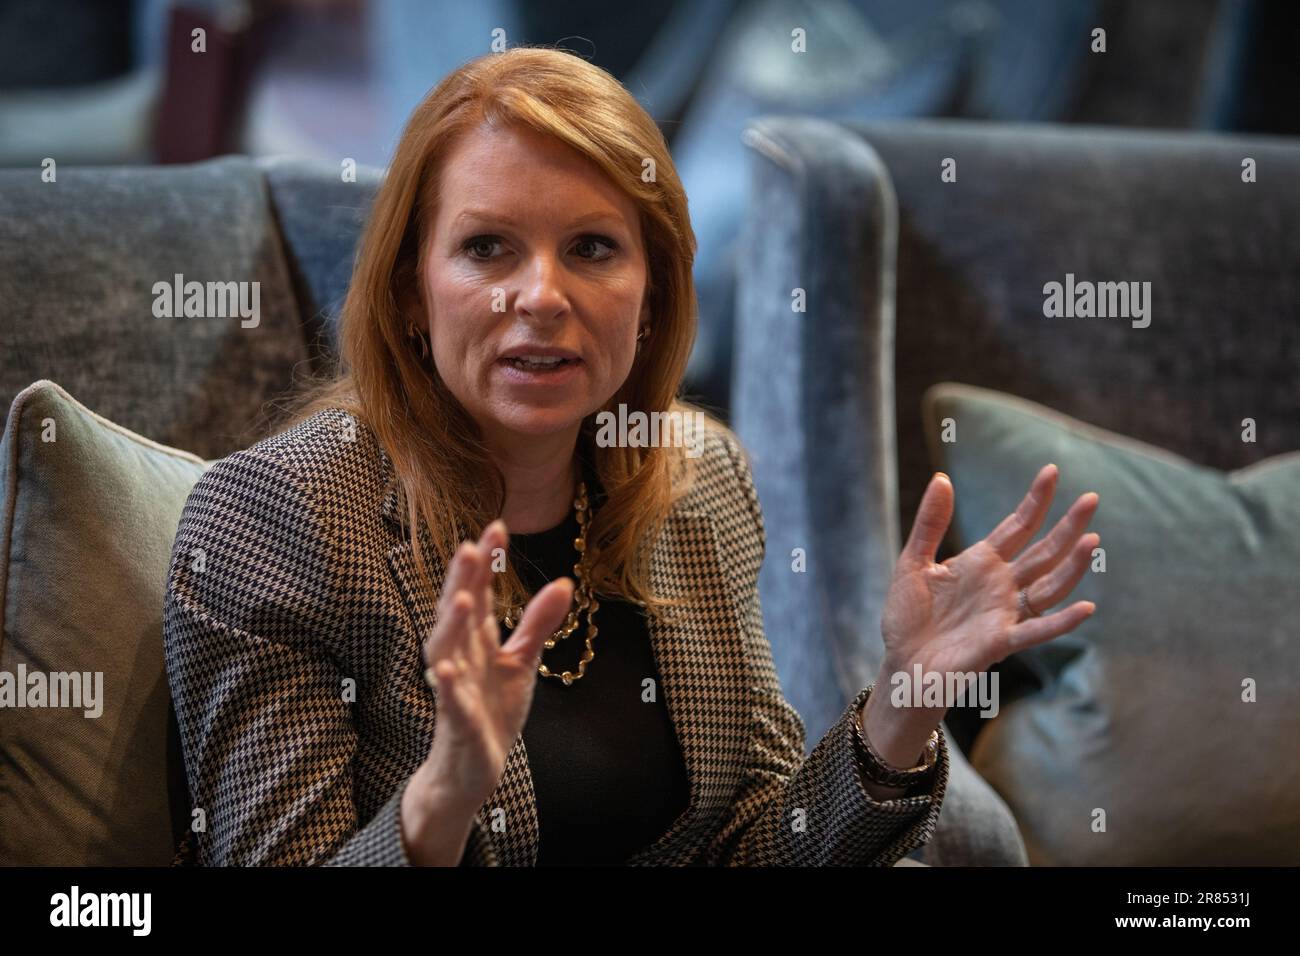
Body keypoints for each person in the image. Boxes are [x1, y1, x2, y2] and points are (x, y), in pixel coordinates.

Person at [163, 45, 1099, 866]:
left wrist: (903, 703)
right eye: (487, 247)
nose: (540, 295)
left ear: (650, 299)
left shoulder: (698, 482)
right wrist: (441, 799)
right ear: (411, 290)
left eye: (592, 249)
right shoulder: (275, 518)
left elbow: (756, 849)